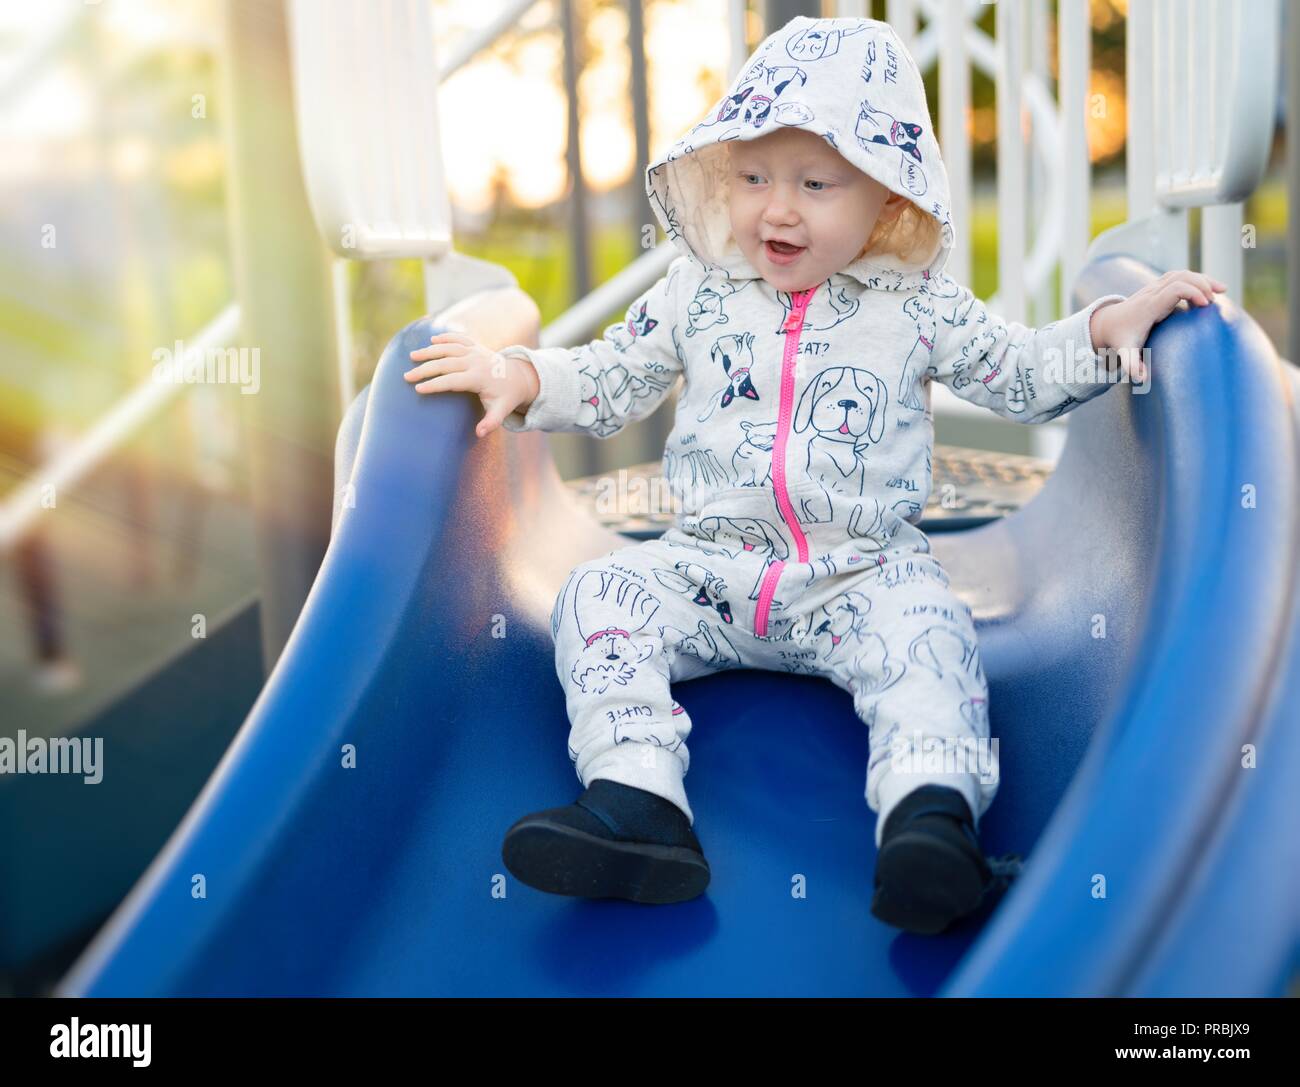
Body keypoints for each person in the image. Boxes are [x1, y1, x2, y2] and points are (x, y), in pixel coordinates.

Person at [404, 15, 1224, 933]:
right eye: (753, 175)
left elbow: (1022, 374)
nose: (776, 208)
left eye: (815, 183)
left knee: (931, 639)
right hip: (710, 570)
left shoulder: (915, 305)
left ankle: (928, 823)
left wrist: (1105, 329)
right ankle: (638, 800)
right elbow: (609, 374)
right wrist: (518, 375)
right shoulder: (695, 290)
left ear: (886, 199)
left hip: (862, 572)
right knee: (599, 595)